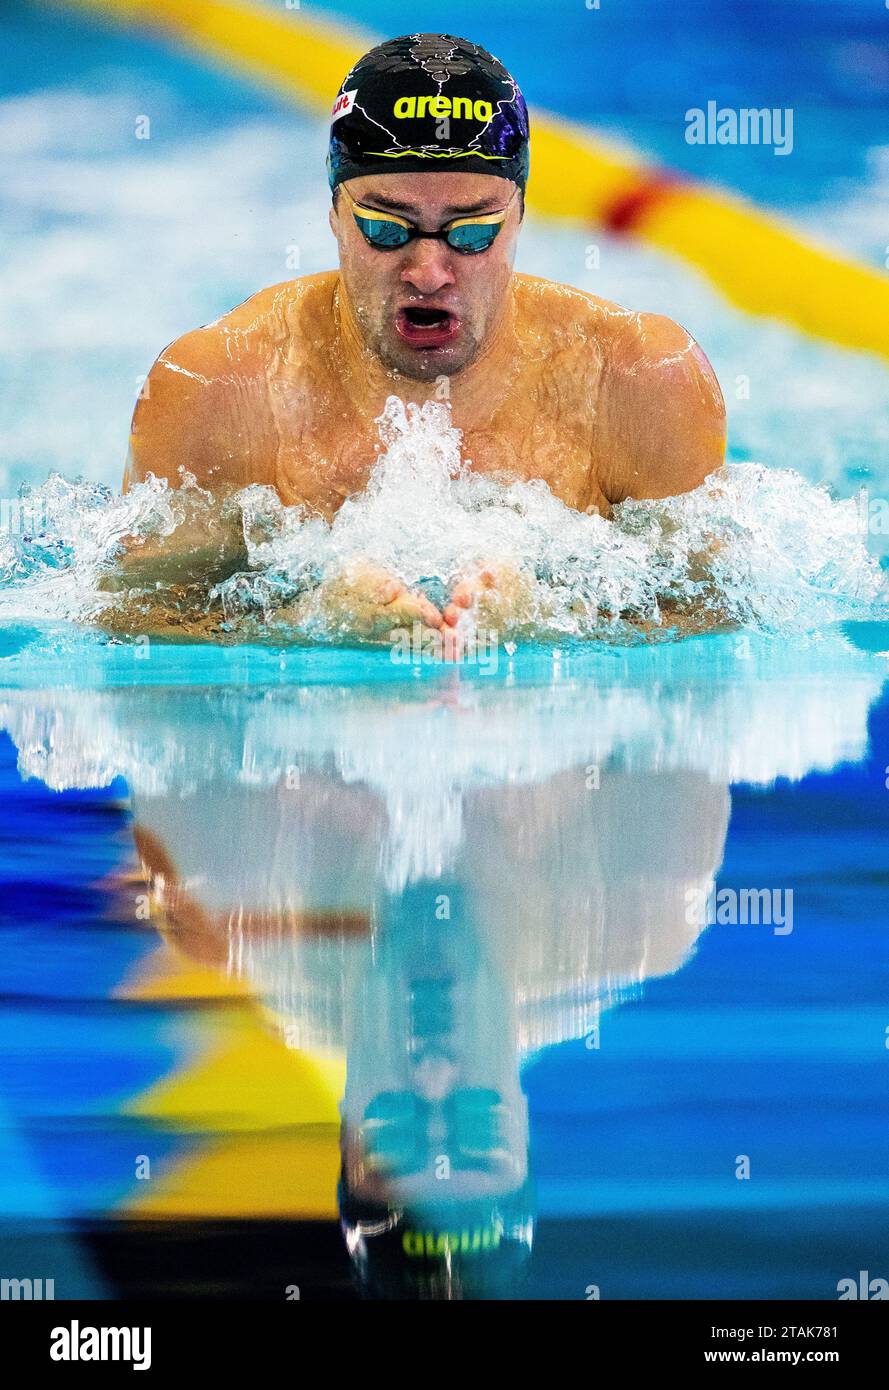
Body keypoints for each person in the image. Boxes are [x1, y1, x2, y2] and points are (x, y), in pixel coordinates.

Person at [122, 33, 725, 647]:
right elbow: (132, 631)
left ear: (519, 215)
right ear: (334, 212)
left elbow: (722, 626)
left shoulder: (636, 380)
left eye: (471, 233)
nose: (429, 272)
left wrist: (552, 619)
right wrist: (305, 624)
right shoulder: (220, 388)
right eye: (387, 228)